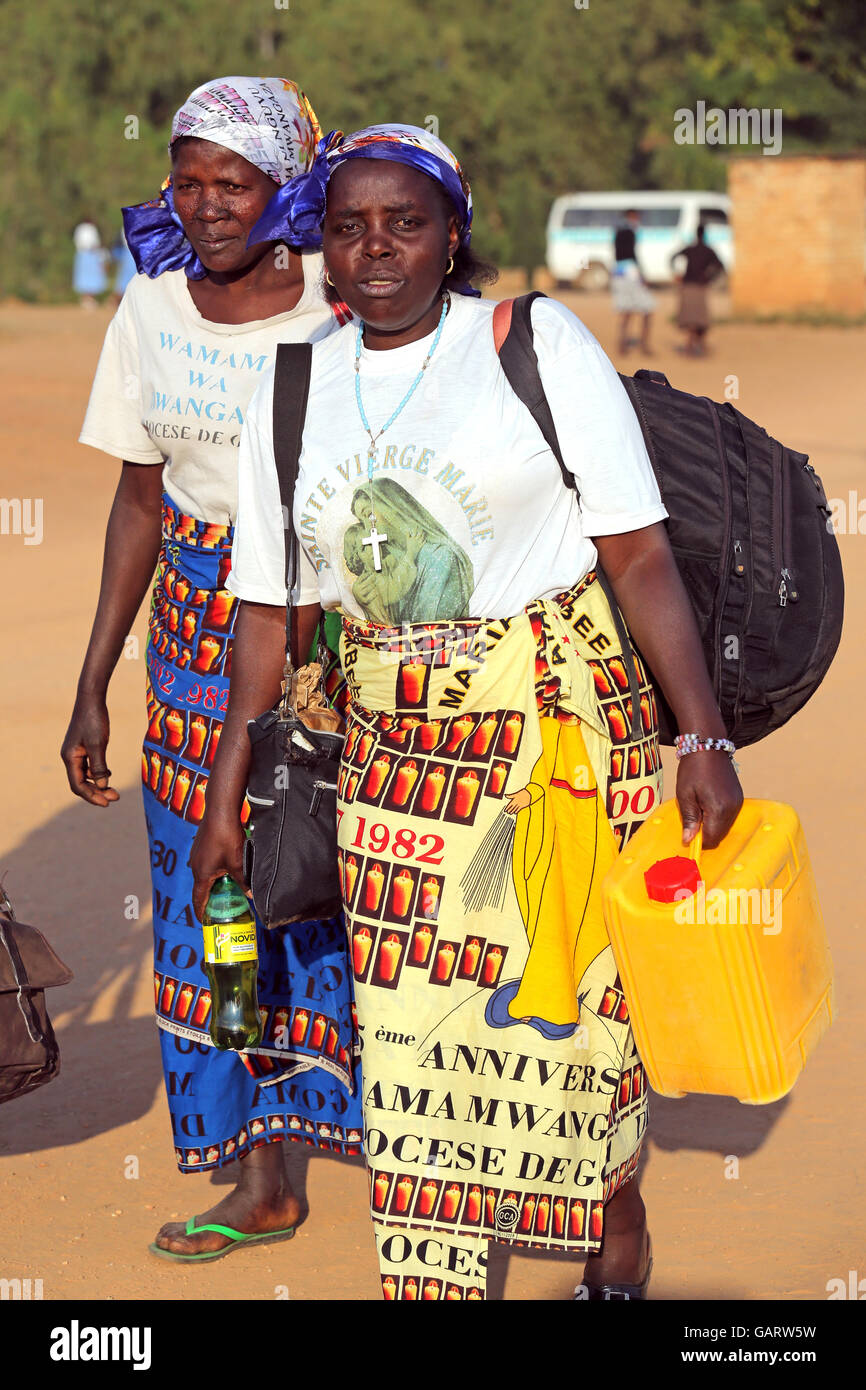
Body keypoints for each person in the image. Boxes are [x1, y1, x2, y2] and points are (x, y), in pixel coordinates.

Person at [191, 124, 743, 1301]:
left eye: (404, 223)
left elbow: (637, 555)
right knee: (419, 1069)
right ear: (321, 245)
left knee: (572, 1042)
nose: (376, 249)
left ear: (454, 235)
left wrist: (697, 732)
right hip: (395, 777)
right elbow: (262, 614)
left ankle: (611, 1246)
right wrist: (224, 798)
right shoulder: (290, 387)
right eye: (348, 227)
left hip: (562, 746)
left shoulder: (530, 343)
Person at [62, 76, 363, 1264]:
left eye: (230, 182)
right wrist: (95, 675)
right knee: (213, 882)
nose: (202, 205)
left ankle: (418, 1147)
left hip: (341, 622)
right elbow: (140, 496)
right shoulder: (148, 308)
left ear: (282, 182)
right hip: (194, 624)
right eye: (185, 181)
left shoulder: (345, 301)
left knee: (349, 877)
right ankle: (259, 1171)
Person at [671, 223, 725, 356]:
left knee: (691, 319)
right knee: (700, 319)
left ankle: (691, 346)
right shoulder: (708, 250)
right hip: (701, 287)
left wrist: (677, 273)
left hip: (688, 286)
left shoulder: (690, 249)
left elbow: (672, 258)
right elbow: (720, 266)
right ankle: (697, 346)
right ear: (704, 234)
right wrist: (709, 278)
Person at [611, 209, 654, 355]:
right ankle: (644, 345)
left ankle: (622, 345)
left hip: (618, 272)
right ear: (632, 217)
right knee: (648, 308)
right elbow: (632, 254)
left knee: (625, 310)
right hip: (630, 271)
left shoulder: (617, 231)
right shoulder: (630, 232)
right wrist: (641, 275)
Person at [72, 220, 108, 308]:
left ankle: (88, 298)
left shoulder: (83, 228)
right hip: (87, 254)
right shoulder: (87, 228)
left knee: (91, 277)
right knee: (86, 276)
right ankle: (86, 299)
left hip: (90, 254)